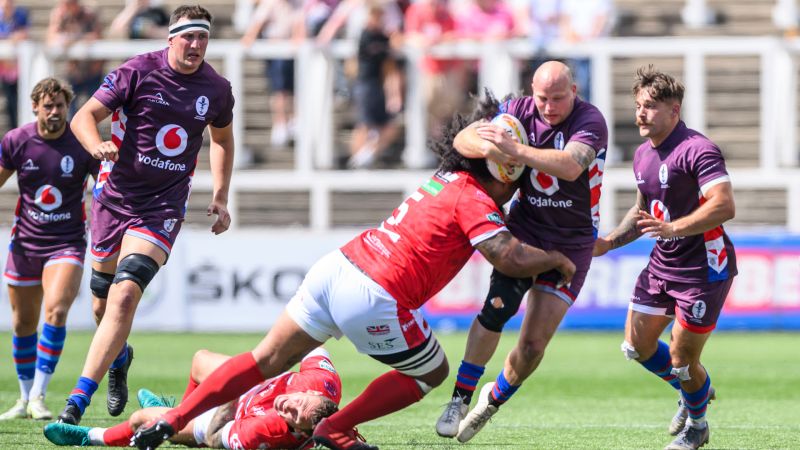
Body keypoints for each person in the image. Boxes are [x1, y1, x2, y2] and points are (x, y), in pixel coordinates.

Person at [131, 96, 576, 450]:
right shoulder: (475, 197)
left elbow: (463, 144)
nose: (514, 192)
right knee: (432, 372)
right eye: (516, 182)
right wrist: (555, 259)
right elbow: (508, 257)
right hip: (375, 294)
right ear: (503, 174)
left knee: (264, 359)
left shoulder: (445, 177)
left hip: (336, 266)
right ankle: (338, 428)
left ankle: (176, 417)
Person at [55, 4, 236, 425]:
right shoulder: (136, 72)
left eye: (203, 38)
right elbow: (84, 117)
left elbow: (223, 140)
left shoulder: (217, 88)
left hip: (162, 206)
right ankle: (120, 358)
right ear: (170, 37)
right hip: (113, 199)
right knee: (102, 308)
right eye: (188, 37)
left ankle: (76, 403)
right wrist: (95, 146)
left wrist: (222, 196)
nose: (195, 45)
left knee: (124, 294)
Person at [435, 60, 608, 443]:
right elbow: (463, 140)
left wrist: (515, 149)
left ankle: (489, 403)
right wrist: (486, 145)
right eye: (543, 98)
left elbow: (570, 167)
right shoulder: (516, 112)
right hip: (526, 231)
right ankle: (459, 399)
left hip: (574, 242)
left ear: (574, 93)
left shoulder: (590, 121)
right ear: (532, 91)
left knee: (531, 347)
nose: (549, 107)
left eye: (558, 98)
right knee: (497, 309)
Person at [593, 66, 736, 450]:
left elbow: (724, 206)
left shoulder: (698, 149)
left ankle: (698, 425)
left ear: (674, 110)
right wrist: (608, 242)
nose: (641, 113)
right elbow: (643, 213)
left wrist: (675, 228)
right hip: (663, 264)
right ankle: (695, 392)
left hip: (703, 267)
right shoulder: (642, 154)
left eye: (651, 106)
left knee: (681, 359)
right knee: (637, 346)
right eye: (638, 105)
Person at [0, 77, 99, 421]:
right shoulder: (16, 141)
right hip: (25, 243)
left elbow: (106, 188)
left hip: (67, 242)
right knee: (23, 323)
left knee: (55, 311)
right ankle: (24, 398)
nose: (55, 112)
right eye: (48, 106)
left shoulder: (82, 145)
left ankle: (40, 394)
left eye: (60, 106)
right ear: (34, 107)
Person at [44, 347, 341, 448]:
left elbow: (213, 437)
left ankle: (91, 437)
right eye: (298, 402)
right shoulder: (323, 381)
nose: (287, 406)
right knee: (201, 360)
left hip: (226, 419)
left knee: (141, 420)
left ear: (297, 431)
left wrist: (231, 392)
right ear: (312, 390)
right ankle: (176, 409)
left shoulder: (263, 432)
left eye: (293, 417)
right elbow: (309, 339)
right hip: (256, 388)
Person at [46, 0, 104, 117]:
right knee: (70, 111)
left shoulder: (89, 14)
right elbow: (50, 38)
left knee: (94, 111)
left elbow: (96, 36)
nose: (65, 6)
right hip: (72, 73)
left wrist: (73, 39)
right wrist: (56, 19)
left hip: (91, 71)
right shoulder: (61, 16)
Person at [0, 0, 29, 130]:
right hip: (4, 66)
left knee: (17, 101)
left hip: (16, 67)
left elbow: (24, 34)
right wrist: (12, 38)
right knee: (10, 102)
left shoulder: (20, 15)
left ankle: (18, 129)